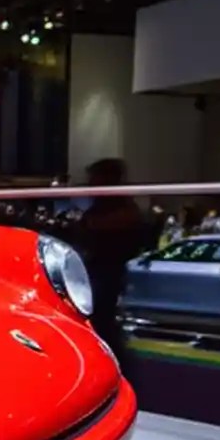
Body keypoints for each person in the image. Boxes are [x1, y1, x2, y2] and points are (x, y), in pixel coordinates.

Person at [75, 159, 145, 374]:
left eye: (94, 179)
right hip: (98, 268)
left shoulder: (121, 210)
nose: (90, 184)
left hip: (108, 269)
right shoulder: (103, 207)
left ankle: (112, 365)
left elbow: (109, 230)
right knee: (97, 319)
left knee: (101, 319)